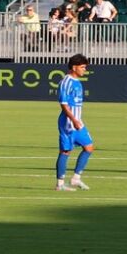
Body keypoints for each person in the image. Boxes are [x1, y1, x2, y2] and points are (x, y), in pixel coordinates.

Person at [55, 54, 95, 191]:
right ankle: (60, 185)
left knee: (89, 147)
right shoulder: (66, 82)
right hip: (68, 122)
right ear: (74, 67)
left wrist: (78, 121)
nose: (85, 70)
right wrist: (73, 120)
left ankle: (76, 178)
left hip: (78, 121)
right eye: (82, 67)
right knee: (65, 151)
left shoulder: (77, 82)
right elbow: (64, 104)